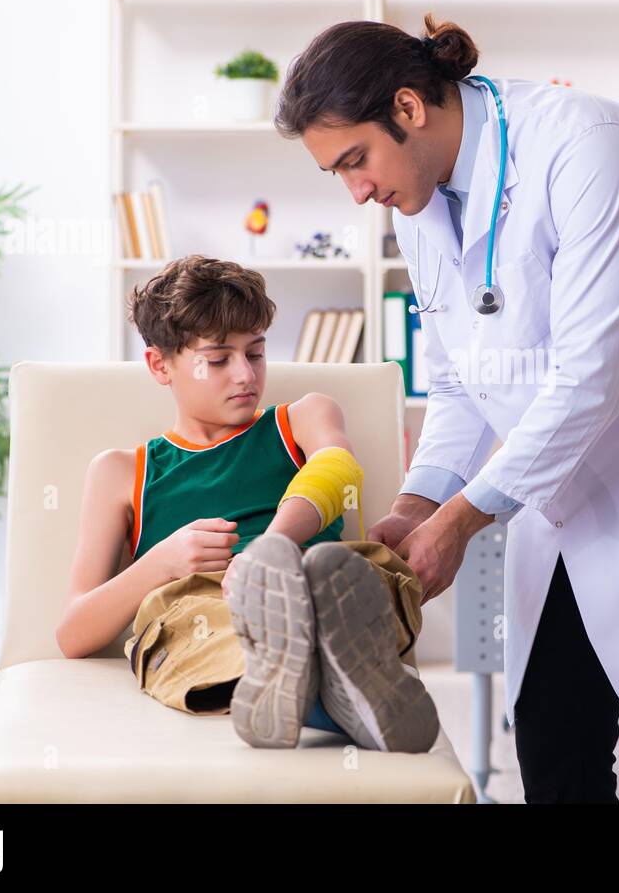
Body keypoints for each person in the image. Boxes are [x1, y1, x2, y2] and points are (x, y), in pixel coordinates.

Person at [276, 15, 619, 801]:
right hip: (548, 494)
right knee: (554, 752)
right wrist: (420, 499)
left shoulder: (591, 148)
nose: (358, 191)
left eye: (356, 160)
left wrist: (459, 520)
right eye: (337, 175)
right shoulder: (415, 200)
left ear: (410, 108)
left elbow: (591, 376)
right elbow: (458, 377)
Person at [54, 255, 438, 754]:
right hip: (208, 611)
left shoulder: (302, 417)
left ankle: (301, 682)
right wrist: (160, 563)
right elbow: (72, 634)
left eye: (255, 353)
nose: (244, 375)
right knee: (196, 626)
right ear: (158, 364)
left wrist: (271, 548)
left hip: (313, 579)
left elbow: (338, 469)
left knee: (367, 568)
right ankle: (330, 692)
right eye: (217, 359)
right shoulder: (122, 472)